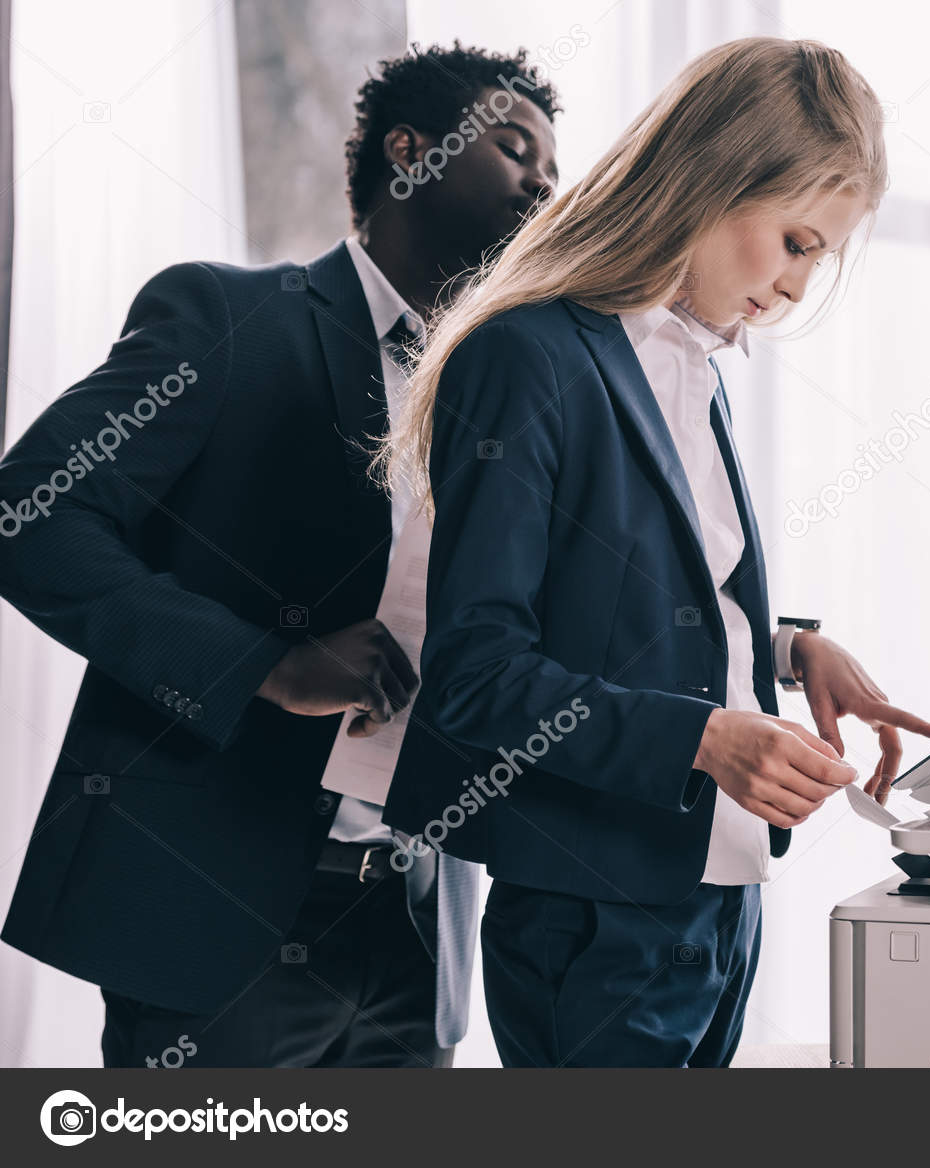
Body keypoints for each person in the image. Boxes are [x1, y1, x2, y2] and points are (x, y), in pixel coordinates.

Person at [378, 35, 930, 1068]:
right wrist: (704, 737)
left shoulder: (693, 362)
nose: (796, 287)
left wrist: (783, 651)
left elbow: (622, 594)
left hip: (715, 894)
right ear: (710, 180)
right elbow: (476, 675)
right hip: (596, 904)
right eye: (795, 242)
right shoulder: (529, 356)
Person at [0, 41, 560, 1067]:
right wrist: (261, 661)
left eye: (553, 173)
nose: (542, 183)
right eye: (517, 149)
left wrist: (780, 647)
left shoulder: (503, 392)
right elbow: (33, 517)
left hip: (416, 929)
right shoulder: (228, 316)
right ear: (413, 150)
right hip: (220, 914)